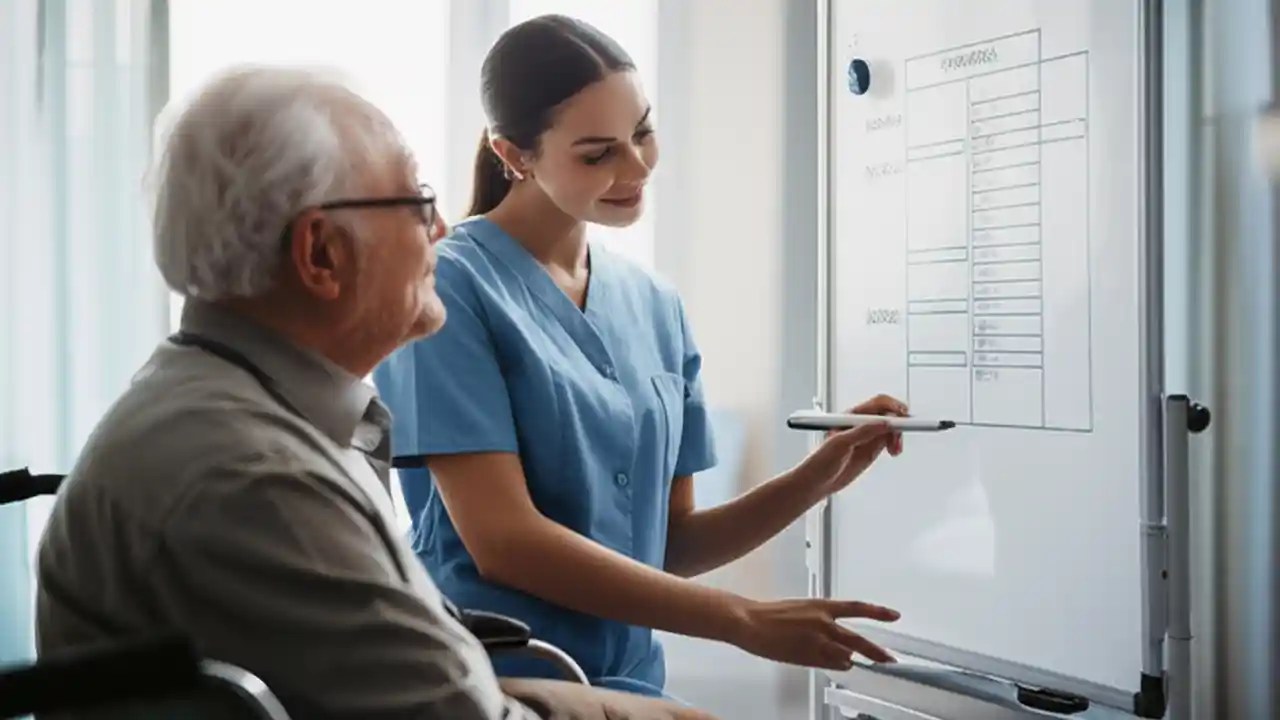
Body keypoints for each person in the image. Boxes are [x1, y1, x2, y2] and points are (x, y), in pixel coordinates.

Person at [35, 65, 714, 720]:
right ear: (321, 254)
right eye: (416, 203)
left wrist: (612, 707)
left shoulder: (252, 416)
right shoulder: (254, 477)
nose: (441, 230)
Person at [373, 14, 908, 700]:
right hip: (492, 683)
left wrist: (816, 476)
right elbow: (504, 542)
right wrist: (740, 619)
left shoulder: (655, 303)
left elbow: (669, 547)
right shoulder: (448, 286)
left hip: (628, 686)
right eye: (597, 154)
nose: (636, 168)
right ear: (515, 155)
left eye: (643, 133)